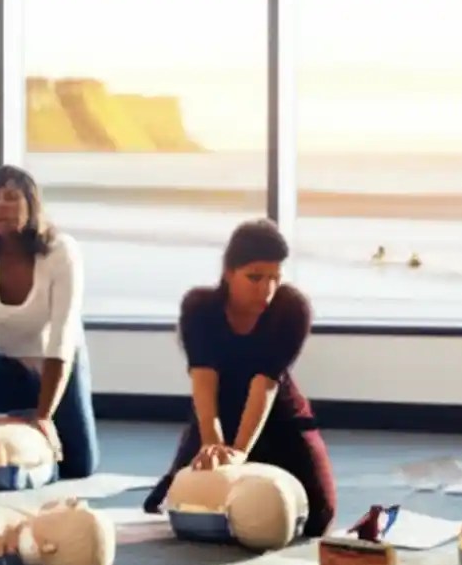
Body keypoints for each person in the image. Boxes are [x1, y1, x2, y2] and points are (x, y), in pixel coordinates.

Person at [141, 219, 336, 537]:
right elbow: (203, 378)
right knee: (175, 503)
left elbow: (266, 383)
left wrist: (240, 452)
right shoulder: (199, 308)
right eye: (254, 277)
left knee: (319, 516)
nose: (266, 290)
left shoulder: (291, 309)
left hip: (278, 417)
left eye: (275, 278)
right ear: (229, 272)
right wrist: (211, 443)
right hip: (217, 412)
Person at [0, 165, 99, 480]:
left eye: (12, 197)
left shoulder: (62, 252)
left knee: (78, 466)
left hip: (59, 365)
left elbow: (61, 337)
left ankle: (27, 413)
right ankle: (15, 416)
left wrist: (44, 416)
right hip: (7, 363)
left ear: (32, 206)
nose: (0, 205)